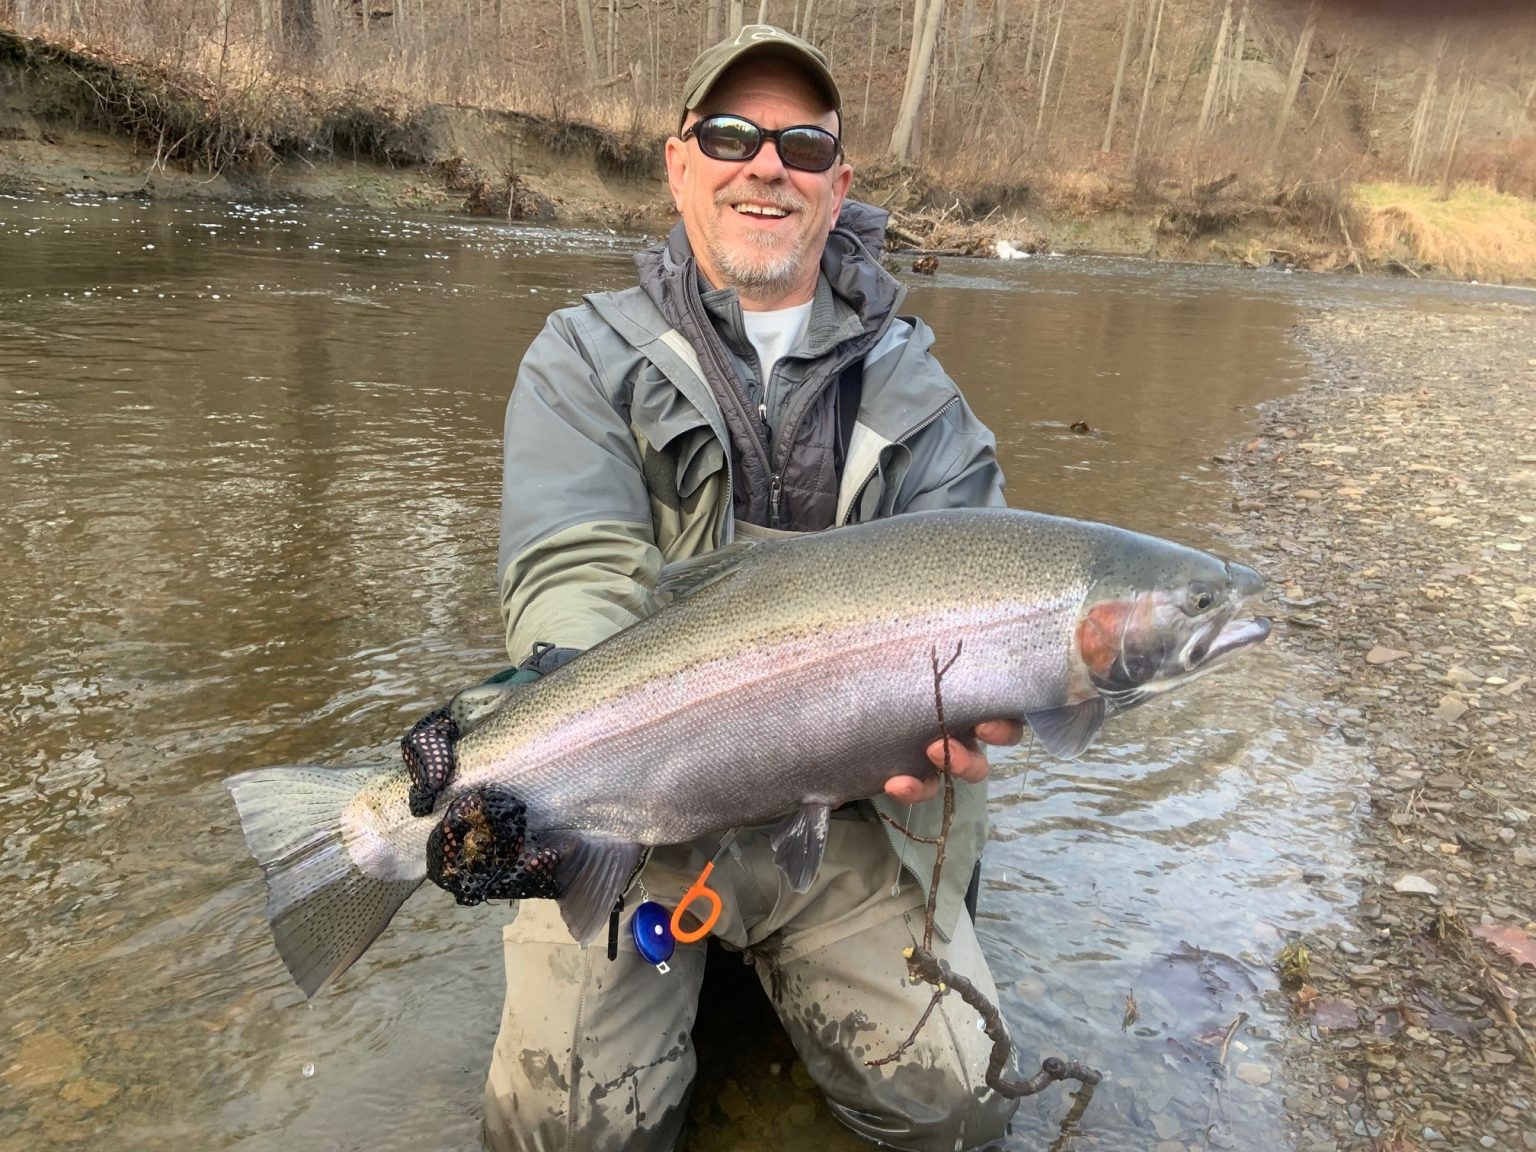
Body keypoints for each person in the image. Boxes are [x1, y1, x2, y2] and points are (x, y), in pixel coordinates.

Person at [470, 25, 1023, 1152]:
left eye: (802, 144)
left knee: (958, 1110)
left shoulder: (920, 394)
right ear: (678, 164)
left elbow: (988, 593)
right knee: (561, 1134)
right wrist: (540, 740)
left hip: (849, 819)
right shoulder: (582, 359)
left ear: (837, 185)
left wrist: (979, 707)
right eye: (729, 134)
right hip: (636, 795)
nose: (765, 164)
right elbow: (570, 575)